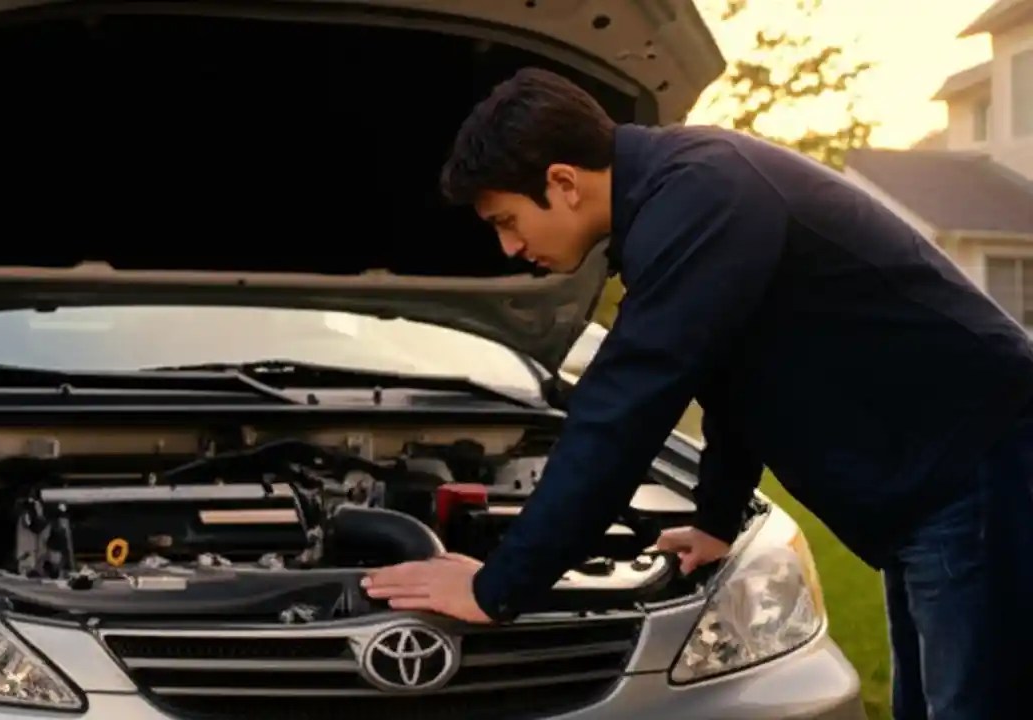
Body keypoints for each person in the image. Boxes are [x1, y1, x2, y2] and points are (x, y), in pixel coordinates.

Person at [360, 67, 1033, 720]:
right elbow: (732, 373)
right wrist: (716, 516)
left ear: (562, 182)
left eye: (507, 220)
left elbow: (623, 407)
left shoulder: (703, 194)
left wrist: (499, 586)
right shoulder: (680, 200)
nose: (509, 247)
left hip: (975, 463)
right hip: (938, 474)